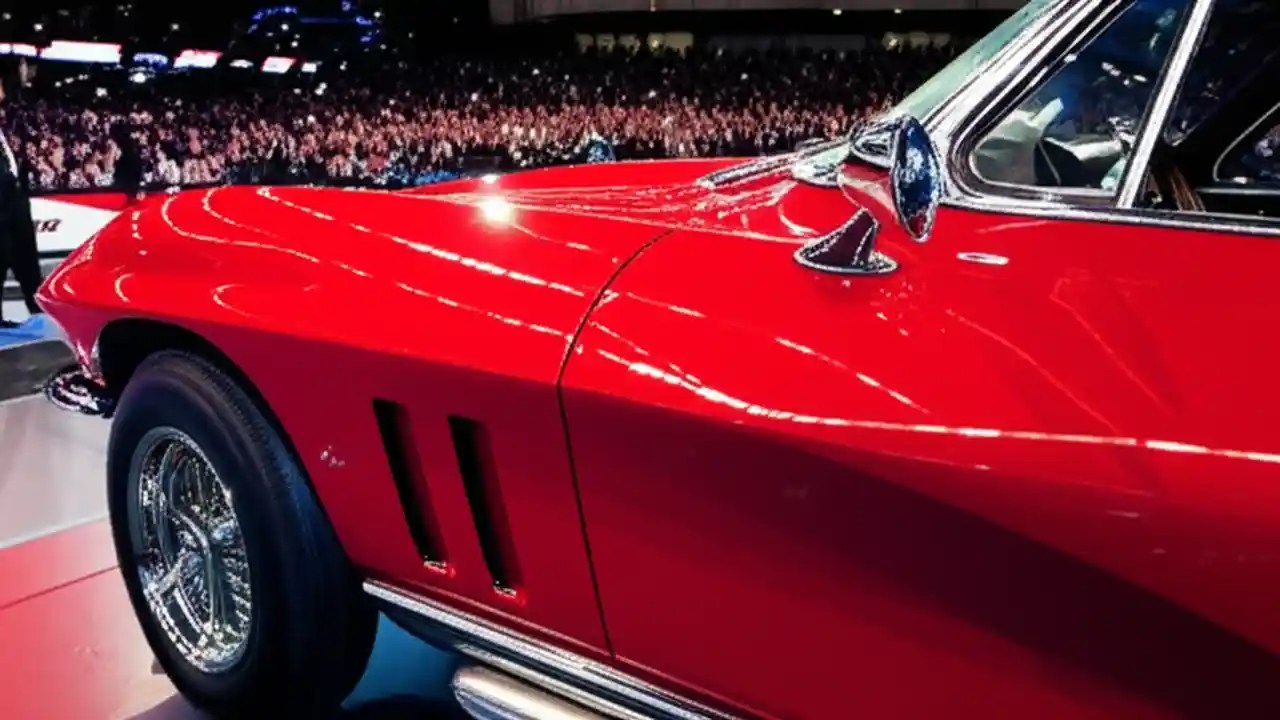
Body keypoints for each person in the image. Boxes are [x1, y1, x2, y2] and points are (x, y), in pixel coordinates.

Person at [0, 81, 43, 328]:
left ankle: (38, 312)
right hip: (2, 211)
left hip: (16, 207)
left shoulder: (5, 132)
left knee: (27, 265)